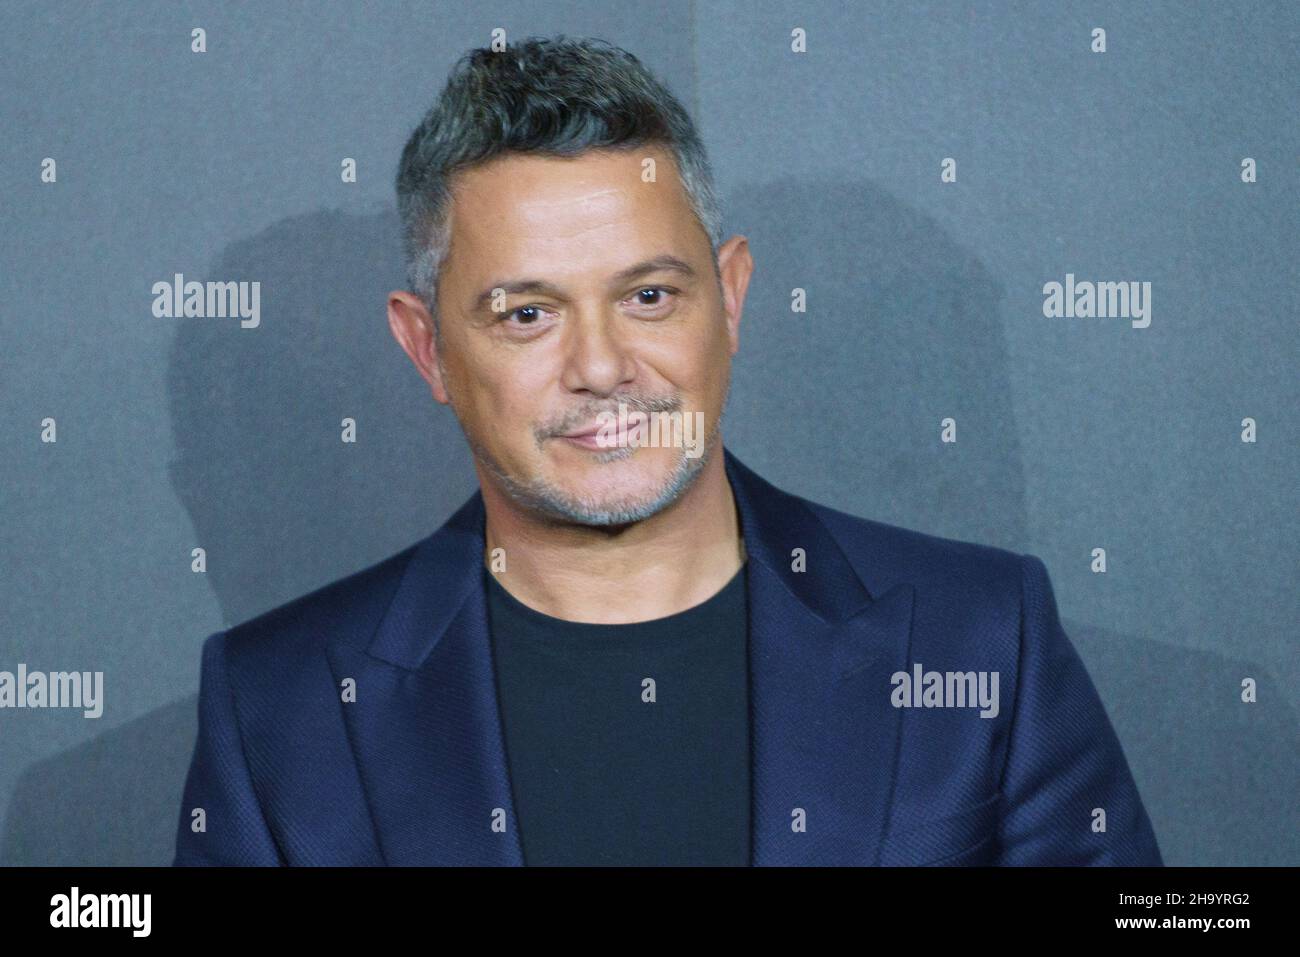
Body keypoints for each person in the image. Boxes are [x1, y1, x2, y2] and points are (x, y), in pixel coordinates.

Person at [173, 35, 1162, 866]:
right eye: (526, 314)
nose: (601, 367)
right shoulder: (279, 708)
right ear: (427, 347)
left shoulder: (982, 639)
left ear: (729, 299)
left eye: (648, 296)